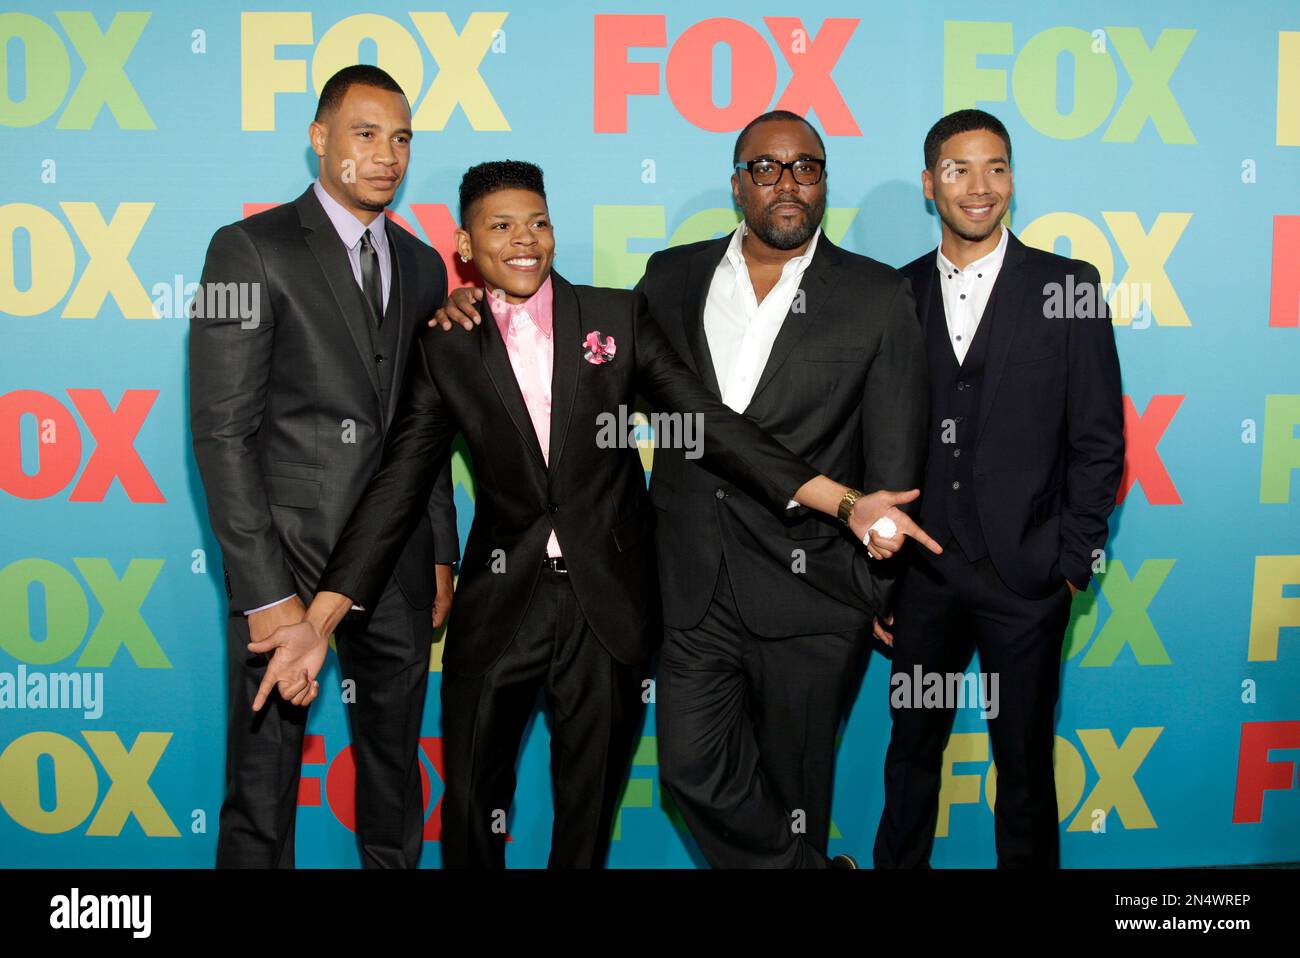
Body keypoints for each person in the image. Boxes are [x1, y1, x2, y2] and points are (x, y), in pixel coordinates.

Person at [255, 160, 939, 868]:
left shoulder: (616, 316)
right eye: (501, 226)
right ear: (464, 245)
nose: (526, 240)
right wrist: (319, 621)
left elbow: (710, 424)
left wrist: (846, 501)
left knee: (586, 822)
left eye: (539, 223)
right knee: (469, 814)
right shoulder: (446, 347)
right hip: (499, 608)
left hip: (607, 614)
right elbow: (396, 489)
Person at [434, 112, 931, 869]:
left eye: (806, 166)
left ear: (826, 179)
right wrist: (466, 305)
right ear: (738, 184)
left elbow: (887, 452)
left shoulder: (876, 293)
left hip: (813, 590)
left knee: (794, 793)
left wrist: (878, 583)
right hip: (688, 586)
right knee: (690, 773)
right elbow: (633, 392)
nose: (787, 182)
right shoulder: (667, 278)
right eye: (766, 167)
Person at [189, 64, 458, 868]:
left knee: (396, 786)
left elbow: (425, 426)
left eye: (401, 138)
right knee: (263, 791)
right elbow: (220, 432)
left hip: (400, 561)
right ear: (319, 141)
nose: (387, 156)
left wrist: (440, 546)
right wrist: (266, 595)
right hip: (286, 565)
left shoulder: (423, 266)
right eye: (366, 135)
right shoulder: (245, 249)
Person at [873, 109, 1124, 868]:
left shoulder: (1067, 287)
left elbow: (1099, 439)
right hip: (920, 579)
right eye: (958, 169)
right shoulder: (892, 294)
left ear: (1013, 178)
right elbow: (869, 440)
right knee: (911, 760)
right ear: (929, 184)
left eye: (996, 167)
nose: (979, 188)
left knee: (1021, 770)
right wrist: (877, 579)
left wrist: (1071, 559)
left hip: (1027, 580)